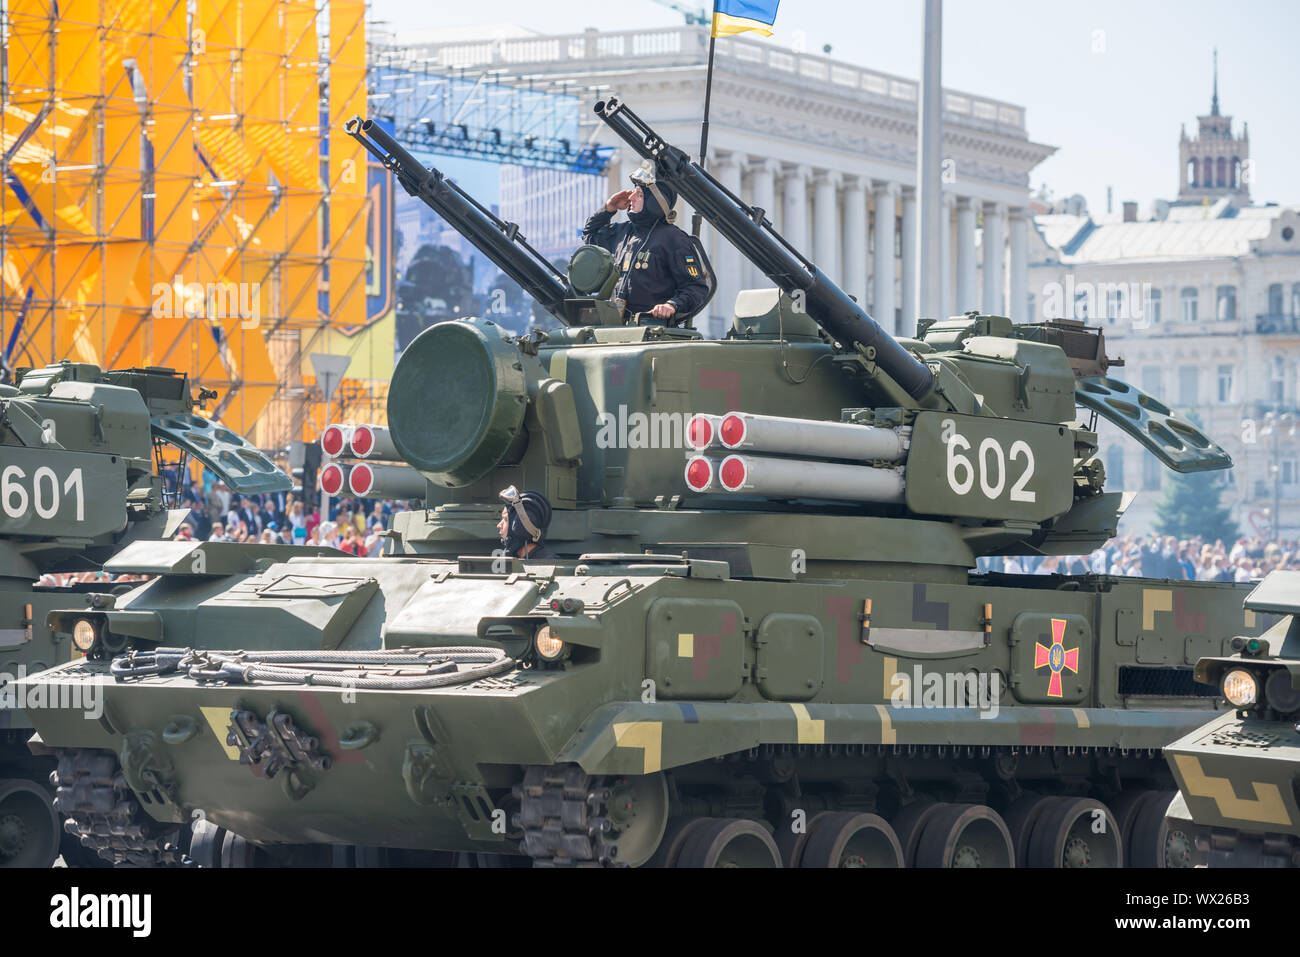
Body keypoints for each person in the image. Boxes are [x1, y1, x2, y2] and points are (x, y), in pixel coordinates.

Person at [581, 166, 709, 326]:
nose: (632, 197)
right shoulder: (623, 232)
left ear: (655, 202)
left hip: (653, 332)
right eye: (634, 191)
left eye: (640, 194)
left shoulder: (673, 239)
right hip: (615, 326)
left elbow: (696, 288)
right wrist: (608, 208)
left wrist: (672, 305)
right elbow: (590, 236)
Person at [497, 486, 555, 559]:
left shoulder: (547, 564)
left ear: (521, 526)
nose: (499, 525)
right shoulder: (512, 560)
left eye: (505, 519)